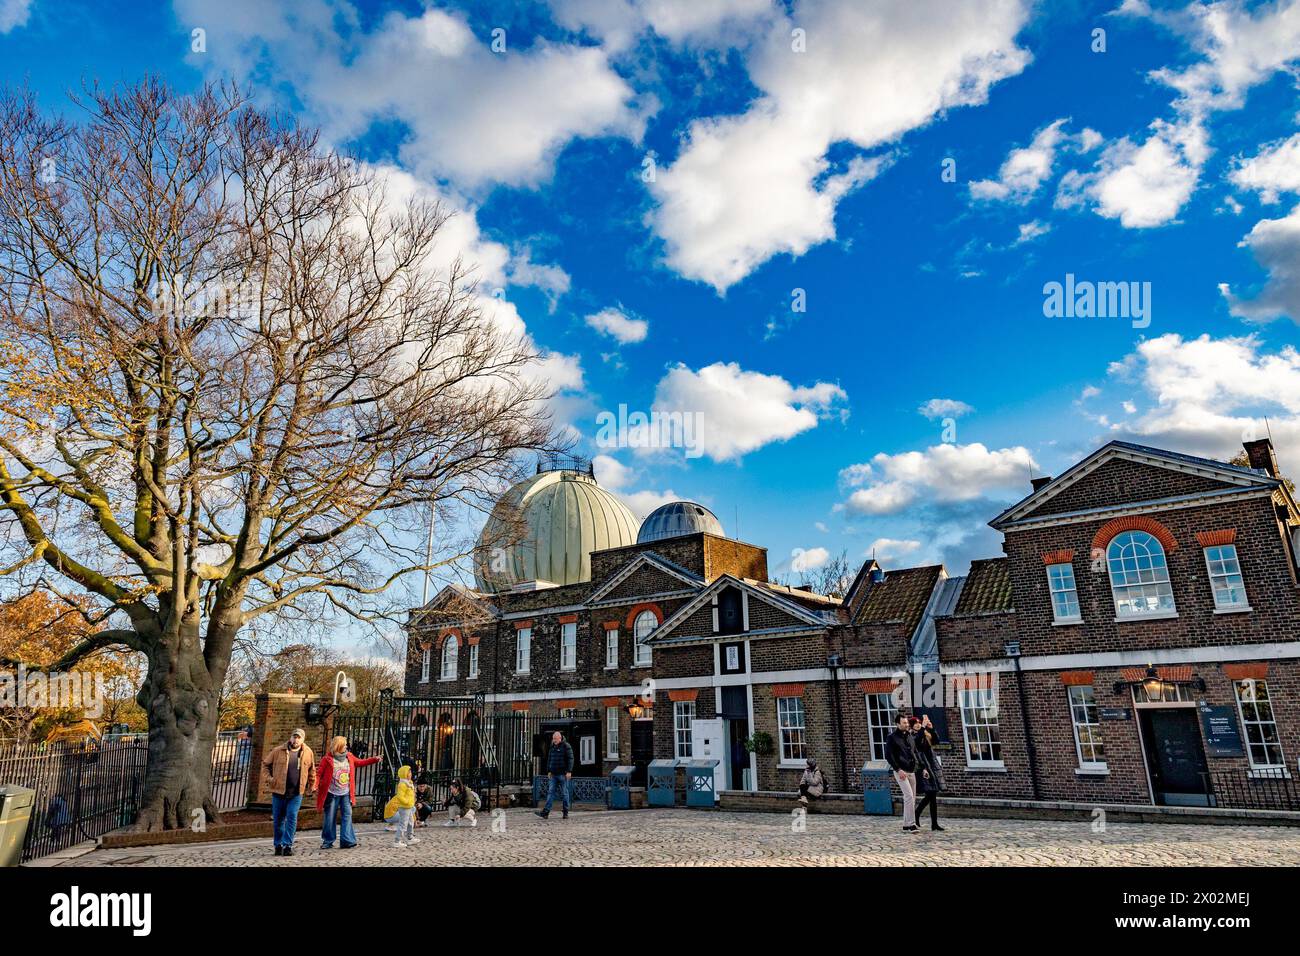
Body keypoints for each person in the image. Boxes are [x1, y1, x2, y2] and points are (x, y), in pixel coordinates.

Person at [316, 735, 382, 849]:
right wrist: (315, 784)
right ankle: (328, 841)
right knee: (330, 817)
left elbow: (361, 762)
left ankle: (347, 840)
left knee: (347, 815)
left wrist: (374, 759)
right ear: (339, 746)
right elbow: (319, 773)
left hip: (346, 793)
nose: (347, 746)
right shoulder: (327, 759)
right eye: (345, 744)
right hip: (332, 794)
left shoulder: (349, 756)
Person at [262, 728, 317, 856]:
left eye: (299, 737)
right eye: (294, 737)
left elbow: (311, 770)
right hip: (278, 792)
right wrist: (270, 779)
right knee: (278, 820)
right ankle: (278, 844)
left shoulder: (308, 752)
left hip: (296, 792)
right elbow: (265, 765)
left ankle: (287, 845)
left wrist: (311, 785)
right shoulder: (278, 750)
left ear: (303, 739)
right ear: (290, 737)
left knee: (292, 816)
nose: (296, 740)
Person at [884, 713, 919, 833]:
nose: (907, 724)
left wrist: (922, 768)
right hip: (900, 771)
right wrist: (898, 770)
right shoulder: (892, 737)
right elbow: (888, 755)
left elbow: (915, 752)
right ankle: (911, 824)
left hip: (911, 770)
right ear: (898, 724)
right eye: (904, 723)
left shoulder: (909, 736)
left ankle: (905, 824)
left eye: (907, 722)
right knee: (908, 796)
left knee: (912, 798)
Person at [912, 715, 945, 832]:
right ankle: (919, 815)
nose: (918, 724)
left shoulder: (924, 733)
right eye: (915, 723)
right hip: (923, 765)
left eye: (919, 722)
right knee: (931, 793)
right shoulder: (913, 736)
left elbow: (936, 741)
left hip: (931, 763)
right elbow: (916, 745)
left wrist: (931, 729)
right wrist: (923, 729)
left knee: (932, 795)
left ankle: (933, 823)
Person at [535, 730, 573, 820]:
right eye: (553, 739)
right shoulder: (552, 747)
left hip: (563, 774)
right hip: (553, 774)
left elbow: (571, 759)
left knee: (564, 793)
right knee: (550, 792)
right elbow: (550, 759)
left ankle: (565, 812)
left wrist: (569, 771)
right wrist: (549, 771)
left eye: (555, 739)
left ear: (560, 738)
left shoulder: (566, 746)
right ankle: (546, 812)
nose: (554, 740)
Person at [388, 765, 419, 847]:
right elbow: (400, 796)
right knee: (403, 824)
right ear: (404, 774)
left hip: (409, 806)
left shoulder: (409, 783)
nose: (410, 774)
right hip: (404, 807)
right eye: (409, 772)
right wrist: (407, 802)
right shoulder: (402, 784)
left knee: (410, 823)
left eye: (411, 772)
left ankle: (410, 837)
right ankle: (397, 840)